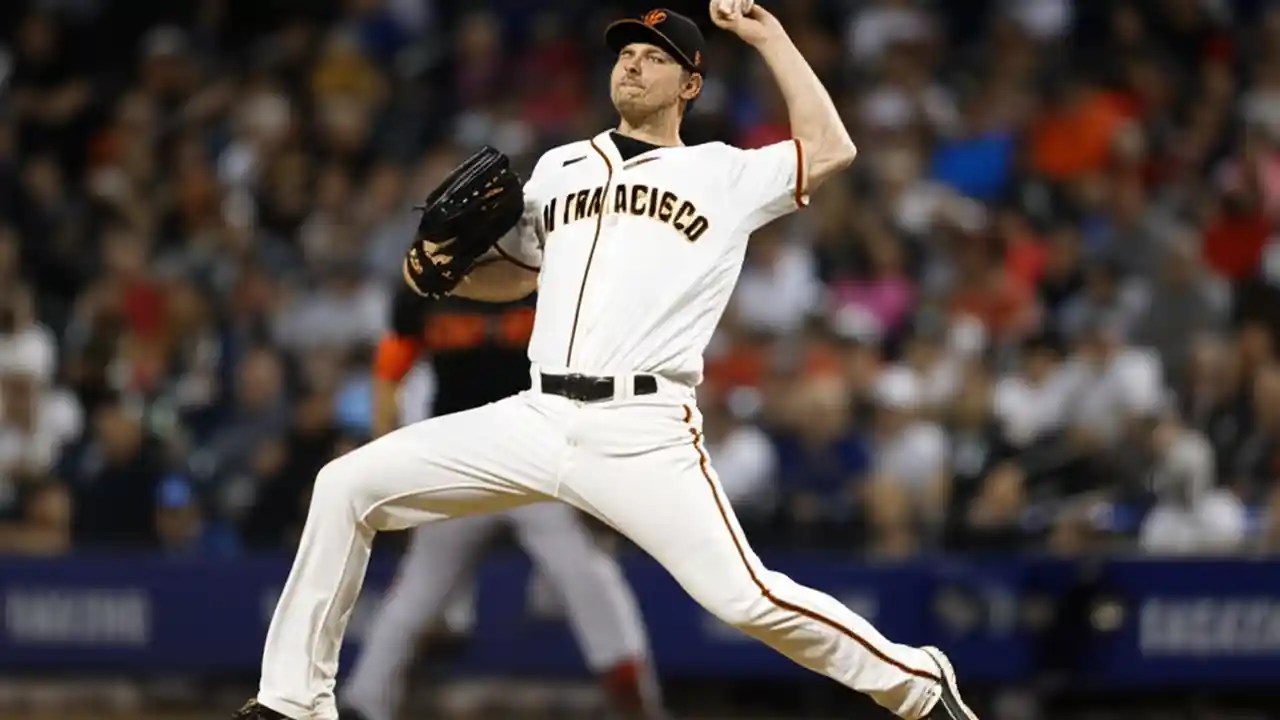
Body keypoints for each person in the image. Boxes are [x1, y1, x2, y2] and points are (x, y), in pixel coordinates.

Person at [234, 4, 975, 719]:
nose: (634, 66)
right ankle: (293, 701)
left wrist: (771, 37)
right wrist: (441, 275)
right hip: (535, 414)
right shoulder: (560, 167)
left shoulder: (725, 174)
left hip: (641, 429)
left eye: (656, 59)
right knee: (345, 486)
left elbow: (831, 147)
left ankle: (915, 682)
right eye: (626, 54)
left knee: (745, 597)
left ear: (690, 85)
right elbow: (516, 274)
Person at [338, 287, 663, 720]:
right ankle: (364, 703)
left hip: (535, 461)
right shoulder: (430, 283)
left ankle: (635, 699)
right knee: (418, 592)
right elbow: (389, 372)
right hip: (459, 462)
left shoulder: (555, 277)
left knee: (587, 577)